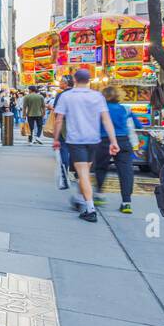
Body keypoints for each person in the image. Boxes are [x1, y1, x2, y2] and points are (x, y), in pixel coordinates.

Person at [51, 69, 118, 222]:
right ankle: (81, 199)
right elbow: (106, 119)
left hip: (76, 140)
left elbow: (58, 119)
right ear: (89, 80)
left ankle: (90, 208)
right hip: (94, 140)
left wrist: (56, 138)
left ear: (74, 79)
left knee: (83, 174)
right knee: (85, 173)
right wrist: (113, 141)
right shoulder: (97, 96)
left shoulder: (66, 96)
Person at [93, 86, 138, 213]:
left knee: (101, 167)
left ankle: (99, 194)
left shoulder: (101, 109)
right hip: (124, 141)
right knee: (126, 172)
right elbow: (137, 124)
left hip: (104, 140)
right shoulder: (125, 109)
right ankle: (126, 202)